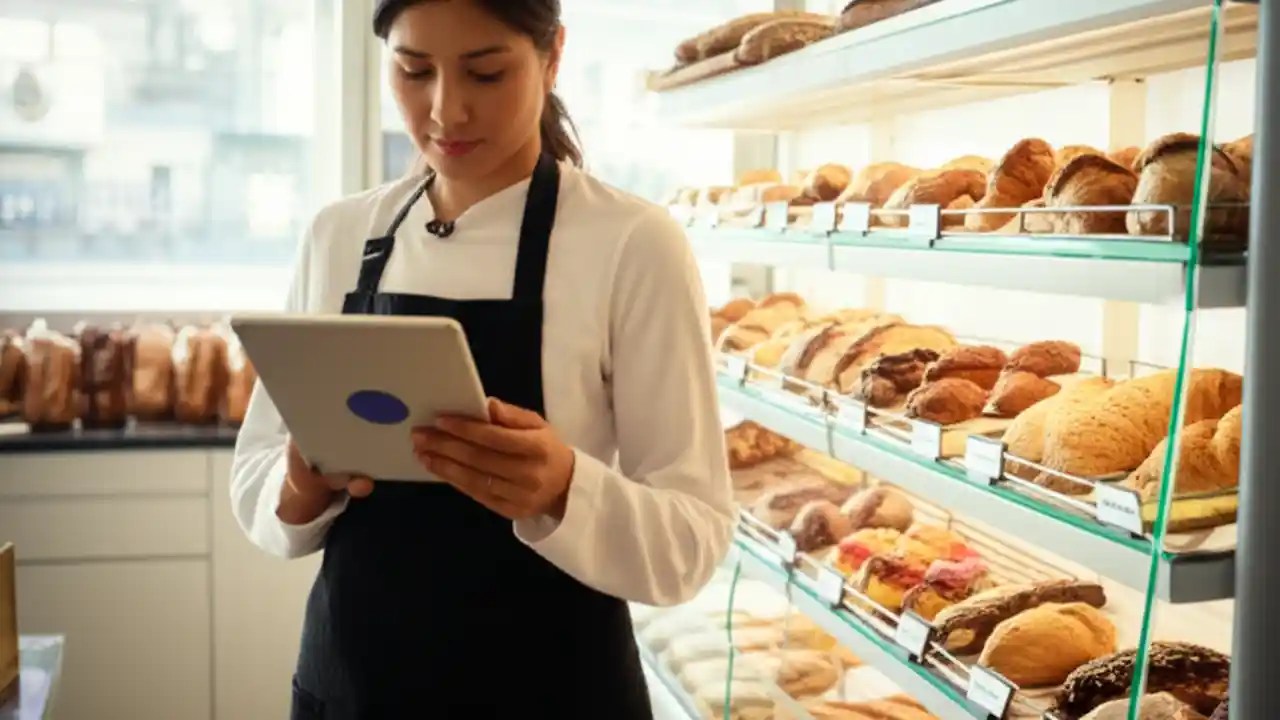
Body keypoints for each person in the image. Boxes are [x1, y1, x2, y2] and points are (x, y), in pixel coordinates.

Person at [228, 0, 734, 717]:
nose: (446, 111)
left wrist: (563, 486)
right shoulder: (339, 234)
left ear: (553, 55)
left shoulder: (631, 243)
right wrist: (302, 487)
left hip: (557, 691)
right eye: (413, 71)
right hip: (352, 687)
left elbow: (692, 537)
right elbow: (255, 470)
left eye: (486, 73)